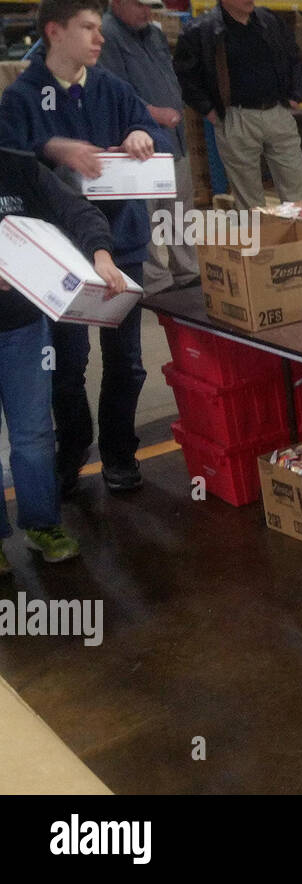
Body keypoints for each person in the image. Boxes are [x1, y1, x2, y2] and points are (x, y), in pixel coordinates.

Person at [0, 0, 171, 496]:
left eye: (100, 28)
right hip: (58, 256)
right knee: (67, 364)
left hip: (122, 242)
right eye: (88, 28)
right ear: (54, 31)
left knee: (126, 361)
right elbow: (8, 159)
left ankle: (120, 454)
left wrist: (141, 134)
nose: (100, 39)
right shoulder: (22, 97)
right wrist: (52, 148)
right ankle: (72, 450)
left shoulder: (110, 88)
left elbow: (146, 128)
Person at [0, 148, 127, 571]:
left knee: (33, 435)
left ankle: (42, 524)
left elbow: (77, 211)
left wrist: (101, 254)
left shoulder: (18, 168)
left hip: (21, 329)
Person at [97, 0, 199, 295]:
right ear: (117, 1)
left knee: (179, 208)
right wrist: (153, 114)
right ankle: (156, 280)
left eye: (149, 4)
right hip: (138, 144)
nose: (146, 11)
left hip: (174, 139)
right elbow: (113, 91)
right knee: (150, 213)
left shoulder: (153, 34)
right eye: (139, 4)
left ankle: (187, 271)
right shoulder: (106, 37)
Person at [173, 0, 302, 208]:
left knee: (297, 189)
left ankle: (301, 241)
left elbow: (294, 57)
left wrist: (295, 95)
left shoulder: (269, 21)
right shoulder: (202, 31)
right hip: (236, 118)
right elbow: (186, 76)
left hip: (277, 112)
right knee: (249, 198)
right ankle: (259, 242)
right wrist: (209, 110)